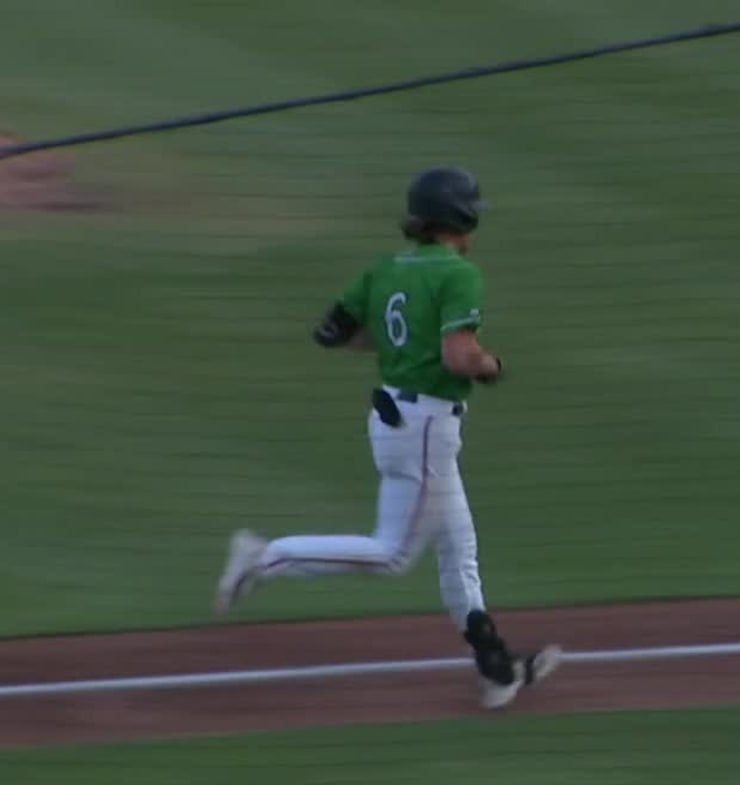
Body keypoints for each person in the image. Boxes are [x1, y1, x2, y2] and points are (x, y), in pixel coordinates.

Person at [213, 167, 560, 709]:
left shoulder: (383, 270)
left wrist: (403, 350)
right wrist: (490, 367)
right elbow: (460, 357)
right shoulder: (458, 274)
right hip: (424, 428)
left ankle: (496, 670)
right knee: (394, 554)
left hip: (400, 418)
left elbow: (331, 332)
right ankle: (264, 558)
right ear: (460, 218)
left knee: (458, 548)